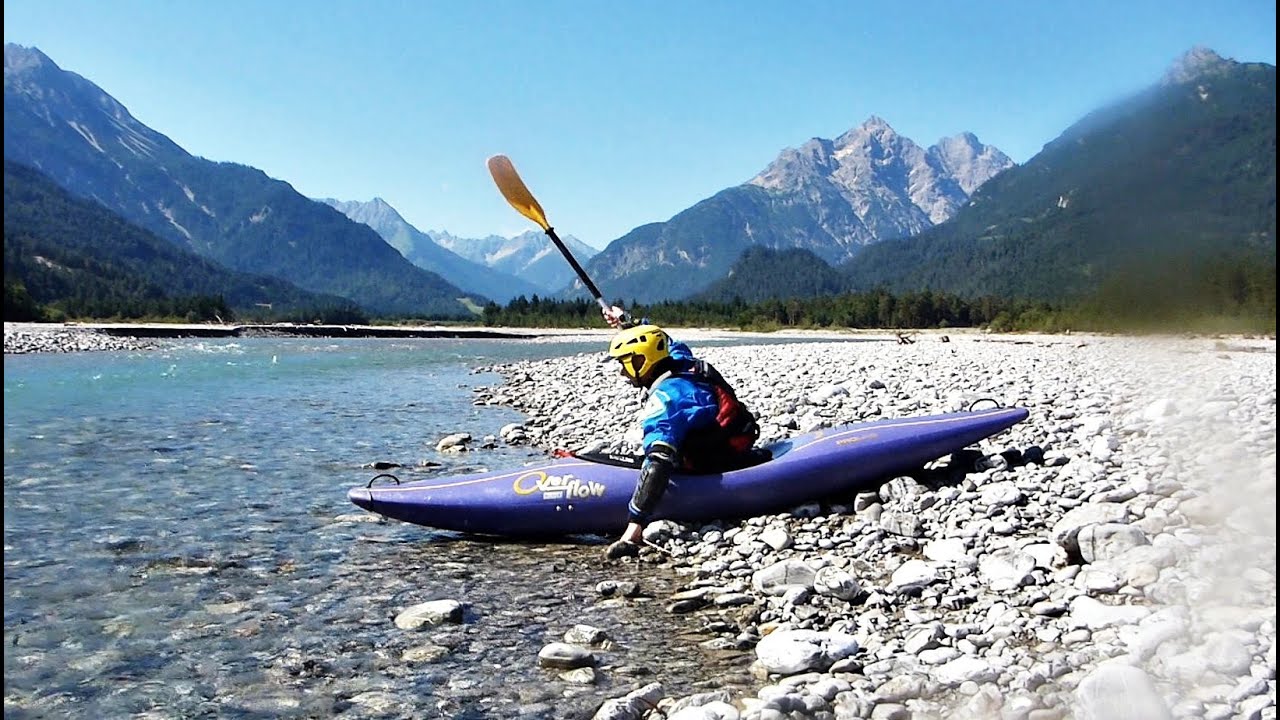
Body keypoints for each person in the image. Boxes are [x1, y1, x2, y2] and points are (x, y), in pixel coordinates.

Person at [599, 305, 760, 560]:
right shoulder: (678, 360)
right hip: (736, 434)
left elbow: (659, 462)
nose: (622, 372)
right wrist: (628, 323)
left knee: (662, 451)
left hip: (718, 456)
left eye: (625, 363)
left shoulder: (667, 401)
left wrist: (634, 526)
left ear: (642, 361)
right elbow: (663, 341)